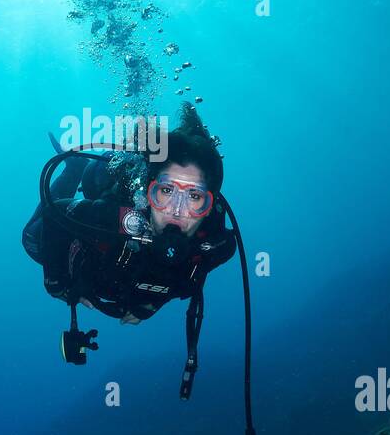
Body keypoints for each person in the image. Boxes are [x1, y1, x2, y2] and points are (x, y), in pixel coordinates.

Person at [22, 104, 235, 328]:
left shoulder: (217, 245)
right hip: (93, 200)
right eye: (165, 191)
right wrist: (56, 281)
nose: (177, 210)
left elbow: (192, 274)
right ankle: (75, 168)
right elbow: (54, 214)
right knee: (31, 239)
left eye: (194, 196)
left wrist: (153, 302)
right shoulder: (115, 217)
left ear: (209, 205)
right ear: (149, 190)